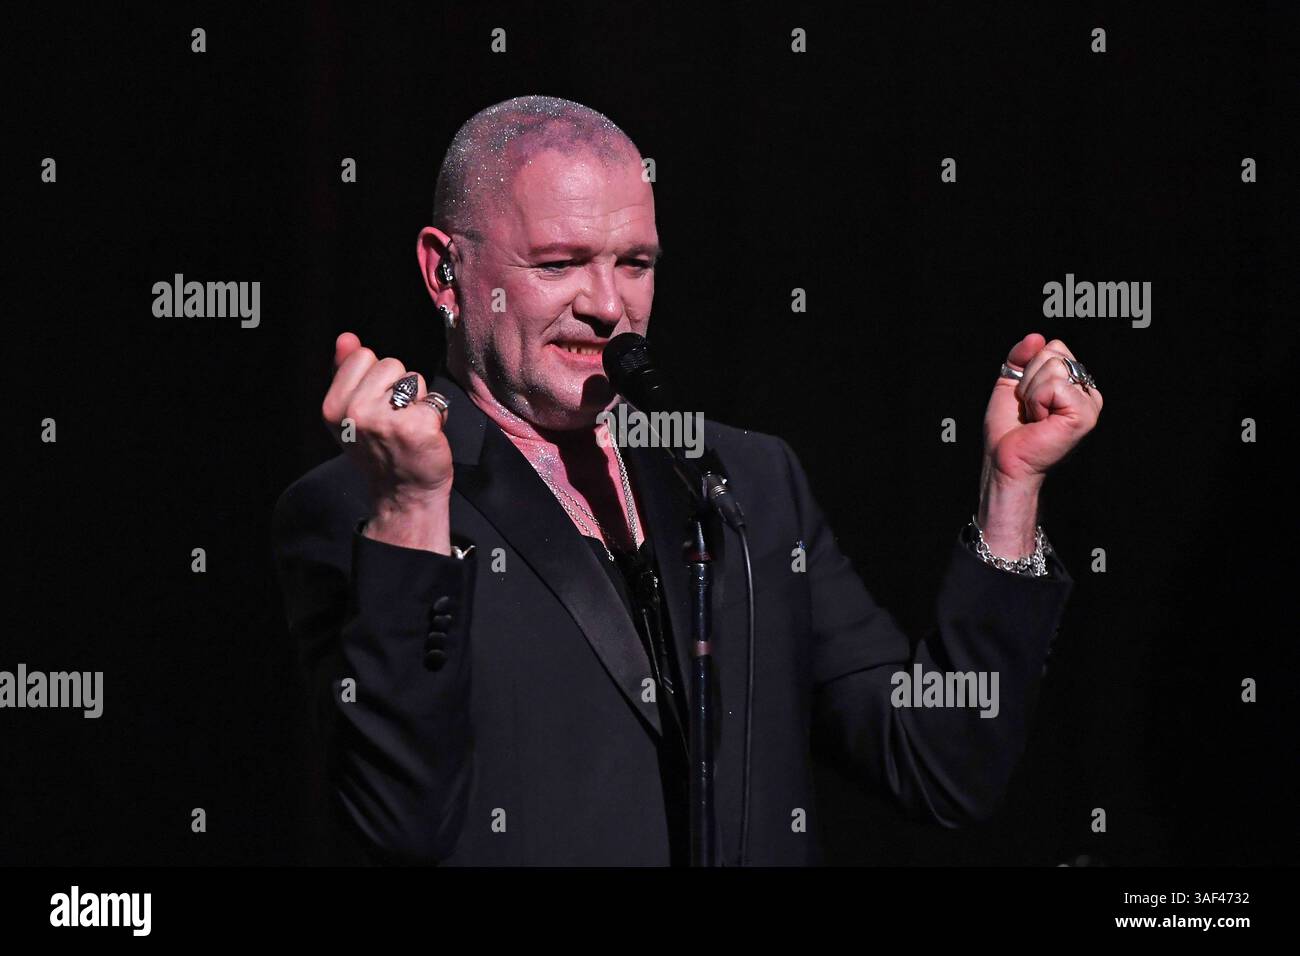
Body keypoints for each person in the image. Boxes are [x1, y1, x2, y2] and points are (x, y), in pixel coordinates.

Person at [271, 95, 1102, 866]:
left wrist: (1009, 493)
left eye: (635, 262)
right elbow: (400, 826)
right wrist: (413, 506)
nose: (608, 305)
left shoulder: (746, 479)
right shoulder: (358, 505)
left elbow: (940, 764)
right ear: (445, 273)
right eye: (559, 262)